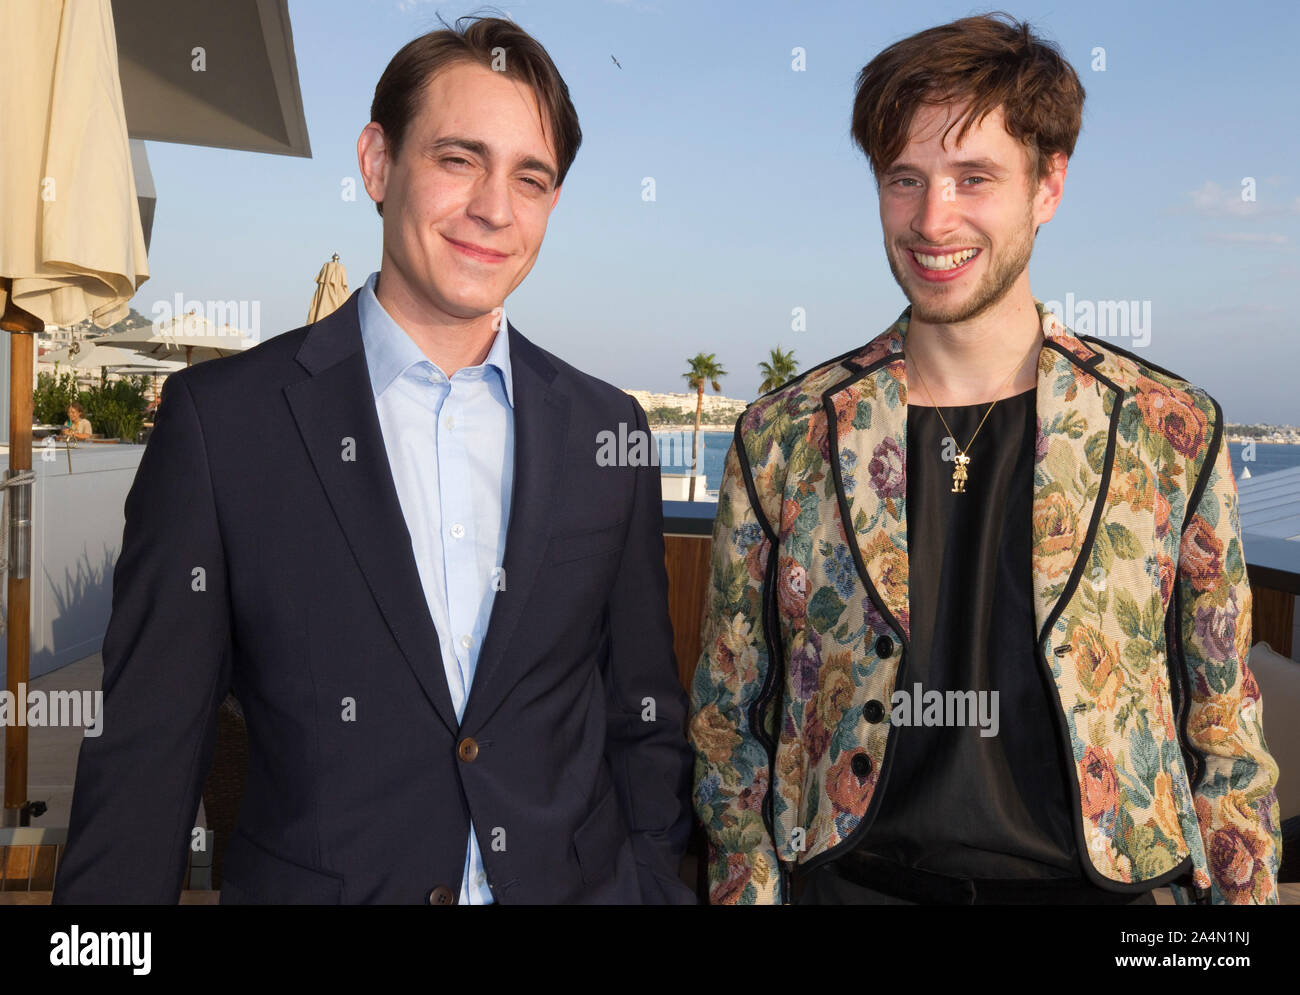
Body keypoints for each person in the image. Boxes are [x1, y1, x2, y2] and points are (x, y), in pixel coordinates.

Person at [55, 15, 694, 905]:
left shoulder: (608, 431)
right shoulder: (222, 426)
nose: (494, 209)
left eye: (531, 178)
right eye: (459, 158)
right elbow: (147, 753)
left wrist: (656, 886)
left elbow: (642, 715)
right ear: (377, 162)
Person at [689, 13, 1280, 905]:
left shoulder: (1168, 430)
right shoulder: (785, 436)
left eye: (974, 178)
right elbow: (726, 722)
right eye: (905, 179)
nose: (934, 219)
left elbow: (1226, 736)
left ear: (1049, 185)